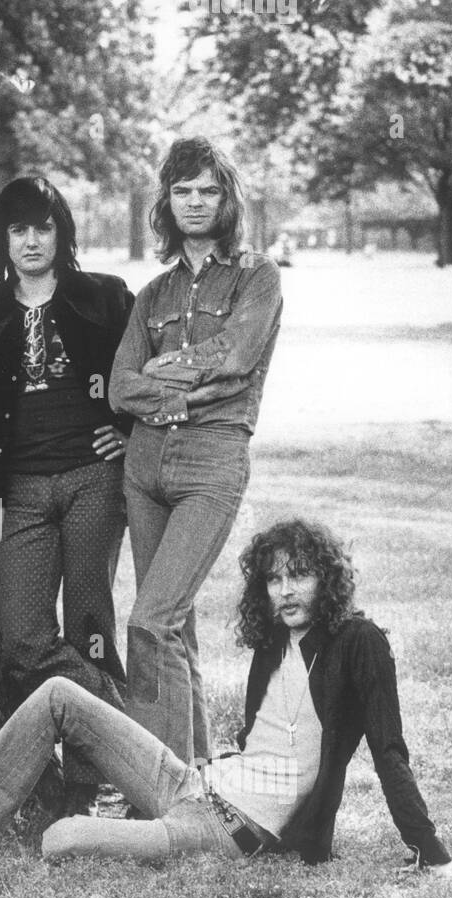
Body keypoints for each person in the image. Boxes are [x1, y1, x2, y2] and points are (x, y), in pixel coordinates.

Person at [0, 518, 452, 879]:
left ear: (328, 578)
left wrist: (434, 854)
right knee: (59, 692)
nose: (284, 591)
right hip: (189, 782)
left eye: (299, 575)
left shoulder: (360, 644)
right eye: (273, 579)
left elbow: (390, 751)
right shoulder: (272, 641)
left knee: (60, 839)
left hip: (224, 830)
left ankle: (44, 820)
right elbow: (255, 740)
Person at [109, 138, 283, 768]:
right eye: (182, 190)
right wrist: (178, 384)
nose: (194, 202)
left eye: (207, 190)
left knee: (149, 622)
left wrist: (161, 373)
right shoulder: (152, 293)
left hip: (211, 463)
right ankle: (200, 774)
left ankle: (161, 782)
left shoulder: (257, 277)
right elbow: (119, 384)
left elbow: (237, 359)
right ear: (166, 201)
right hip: (145, 468)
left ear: (227, 198)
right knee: (174, 627)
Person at [0, 176, 135, 812]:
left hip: (94, 482)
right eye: (18, 229)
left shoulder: (103, 298)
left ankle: (86, 786)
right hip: (22, 493)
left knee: (89, 622)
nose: (32, 240)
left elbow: (137, 371)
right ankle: (134, 733)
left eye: (43, 226)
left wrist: (125, 432)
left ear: (62, 233)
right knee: (23, 639)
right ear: (3, 240)